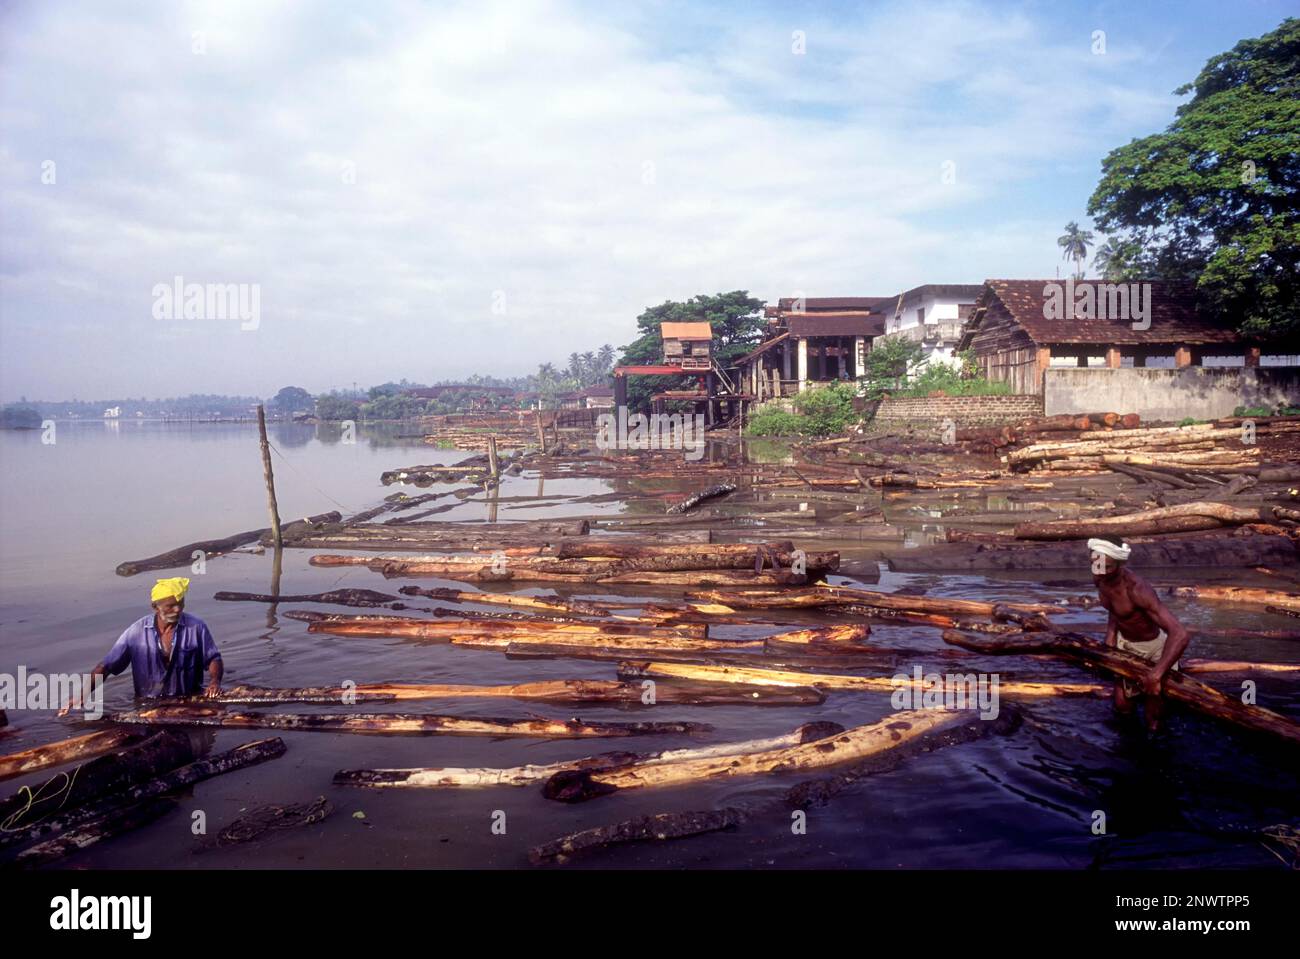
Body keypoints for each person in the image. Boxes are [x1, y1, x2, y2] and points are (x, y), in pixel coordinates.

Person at [61, 577, 222, 714]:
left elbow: (213, 658)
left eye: (181, 603)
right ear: (155, 607)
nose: (177, 609)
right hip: (148, 705)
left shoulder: (196, 627)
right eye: (170, 606)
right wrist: (83, 695)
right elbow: (106, 666)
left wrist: (215, 682)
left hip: (189, 702)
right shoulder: (136, 632)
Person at [1089, 535, 1189, 732]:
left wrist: (1156, 674)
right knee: (1122, 707)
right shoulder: (1099, 577)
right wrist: (1109, 642)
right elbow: (1115, 611)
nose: (1100, 571)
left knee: (1153, 717)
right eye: (1096, 564)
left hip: (1153, 649)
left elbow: (1180, 634)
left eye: (1107, 567)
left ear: (1119, 564)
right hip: (1125, 645)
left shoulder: (1137, 589)